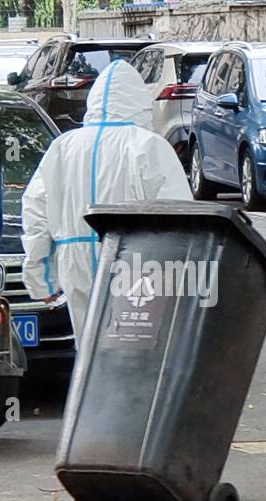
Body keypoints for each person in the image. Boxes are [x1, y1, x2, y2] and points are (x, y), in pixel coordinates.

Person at [22, 58, 191, 340]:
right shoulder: (147, 145)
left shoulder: (64, 147)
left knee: (88, 351)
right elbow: (179, 214)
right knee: (131, 349)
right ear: (141, 102)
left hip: (74, 260)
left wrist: (40, 277)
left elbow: (36, 209)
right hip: (135, 261)